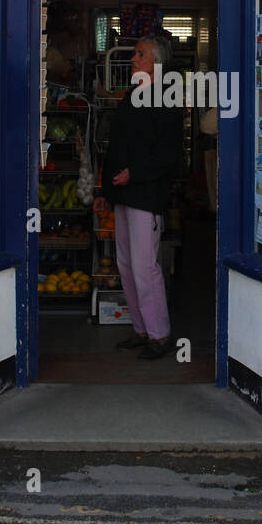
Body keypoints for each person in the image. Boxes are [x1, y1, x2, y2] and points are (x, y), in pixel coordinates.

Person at [92, 35, 183, 360]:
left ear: (155, 63)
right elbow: (116, 147)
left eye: (139, 55)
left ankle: (160, 335)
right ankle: (141, 330)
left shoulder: (168, 99)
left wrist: (136, 173)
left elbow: (171, 156)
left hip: (146, 194)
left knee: (146, 267)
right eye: (134, 54)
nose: (133, 59)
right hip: (123, 194)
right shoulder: (133, 95)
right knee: (126, 265)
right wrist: (106, 191)